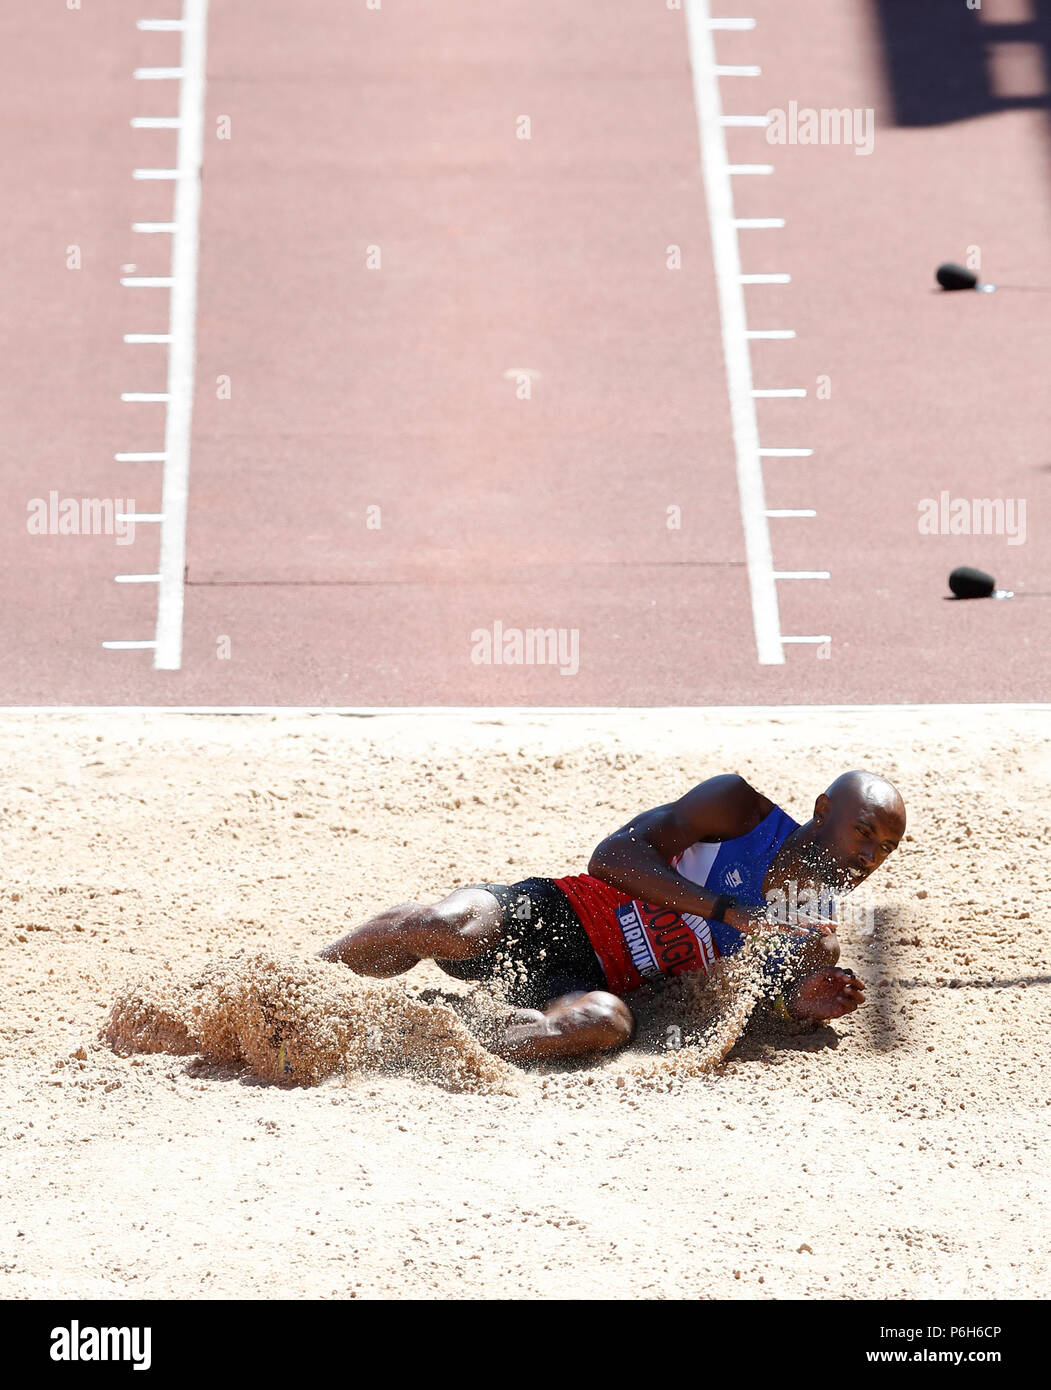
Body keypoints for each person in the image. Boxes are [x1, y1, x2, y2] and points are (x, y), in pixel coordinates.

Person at [319, 770, 905, 1062]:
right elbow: (610, 857)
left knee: (601, 1025)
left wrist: (796, 1005)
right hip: (552, 913)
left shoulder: (811, 933)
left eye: (884, 849)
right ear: (822, 810)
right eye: (862, 832)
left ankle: (423, 1044)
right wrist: (730, 910)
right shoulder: (738, 810)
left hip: (584, 984)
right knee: (441, 930)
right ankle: (303, 979)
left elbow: (747, 1005)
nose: (868, 856)